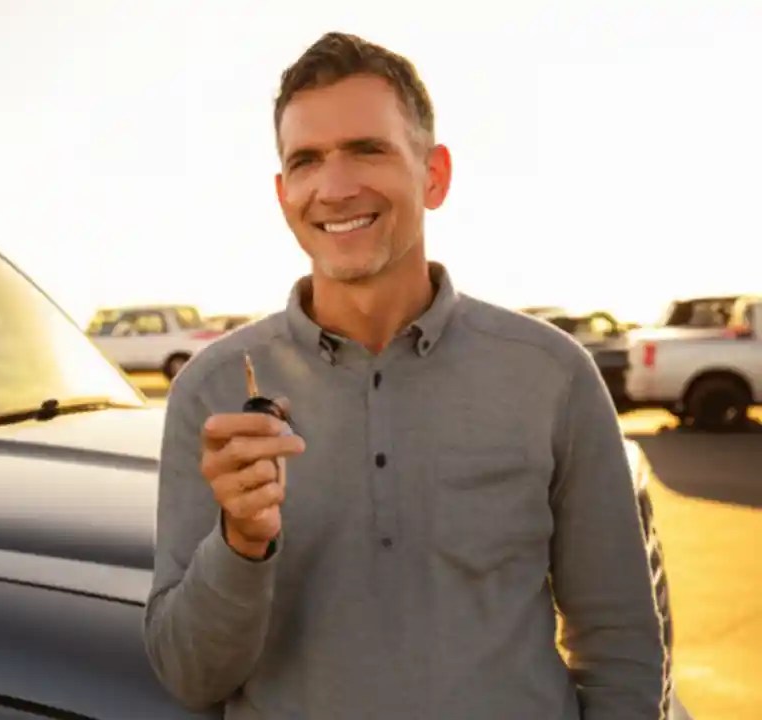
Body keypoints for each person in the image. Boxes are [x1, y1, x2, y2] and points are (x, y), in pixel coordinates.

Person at [143, 31, 668, 719]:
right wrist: (241, 542)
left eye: (367, 150)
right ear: (283, 194)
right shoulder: (210, 393)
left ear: (434, 175)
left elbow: (622, 641)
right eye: (307, 160)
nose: (334, 188)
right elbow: (188, 675)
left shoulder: (552, 375)